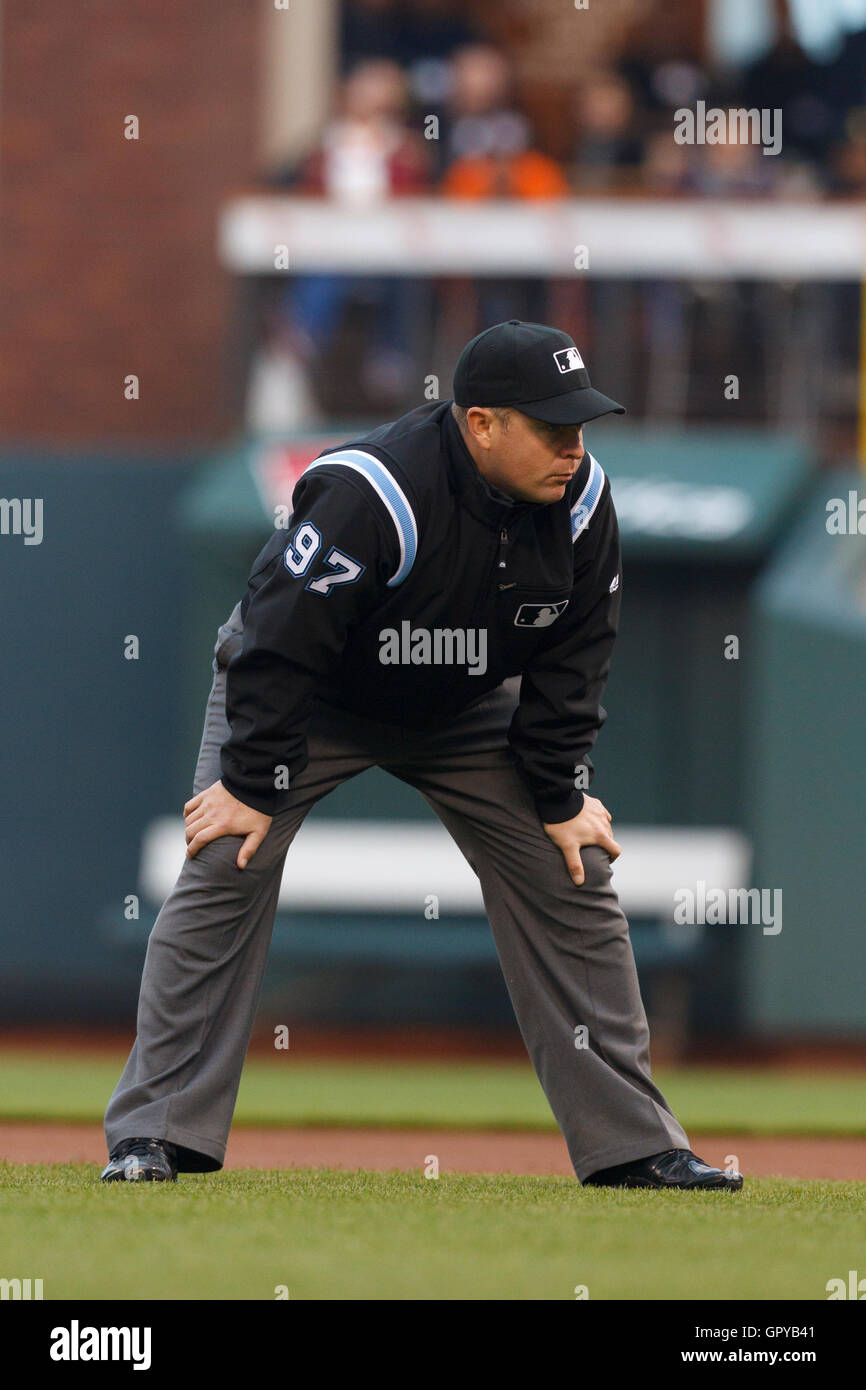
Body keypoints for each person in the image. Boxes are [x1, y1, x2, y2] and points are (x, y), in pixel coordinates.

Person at [102, 320, 743, 1192]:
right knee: (227, 859)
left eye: (581, 425)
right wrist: (253, 784)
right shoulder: (376, 490)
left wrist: (557, 795)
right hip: (308, 697)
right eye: (552, 428)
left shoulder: (584, 503)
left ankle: (634, 1148)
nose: (573, 447)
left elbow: (575, 663)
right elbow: (276, 644)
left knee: (573, 872)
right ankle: (156, 1137)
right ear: (481, 424)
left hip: (465, 708)